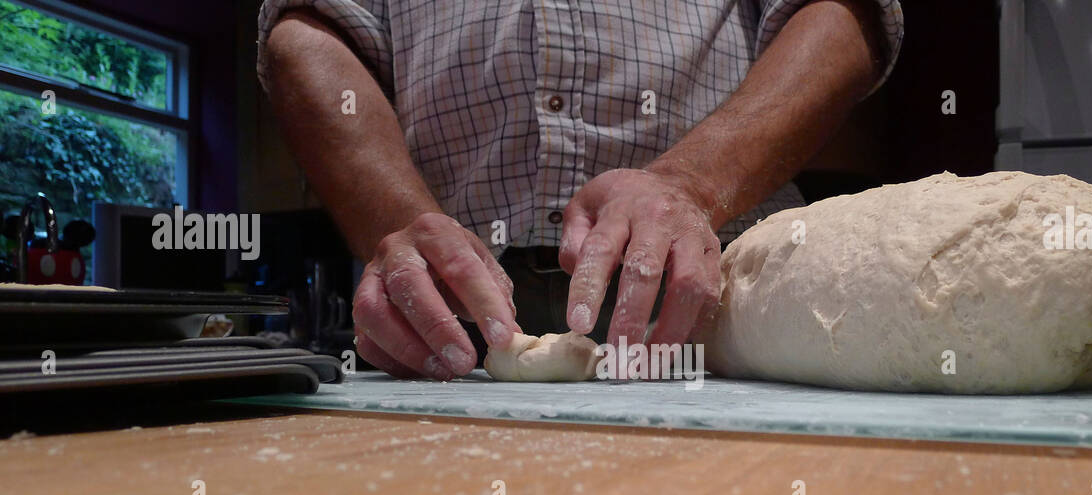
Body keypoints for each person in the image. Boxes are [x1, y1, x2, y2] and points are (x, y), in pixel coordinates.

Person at [258, 0, 903, 379]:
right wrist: (399, 224)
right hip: (442, 323)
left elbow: (844, 12)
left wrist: (690, 184)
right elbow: (307, 31)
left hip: (727, 302)